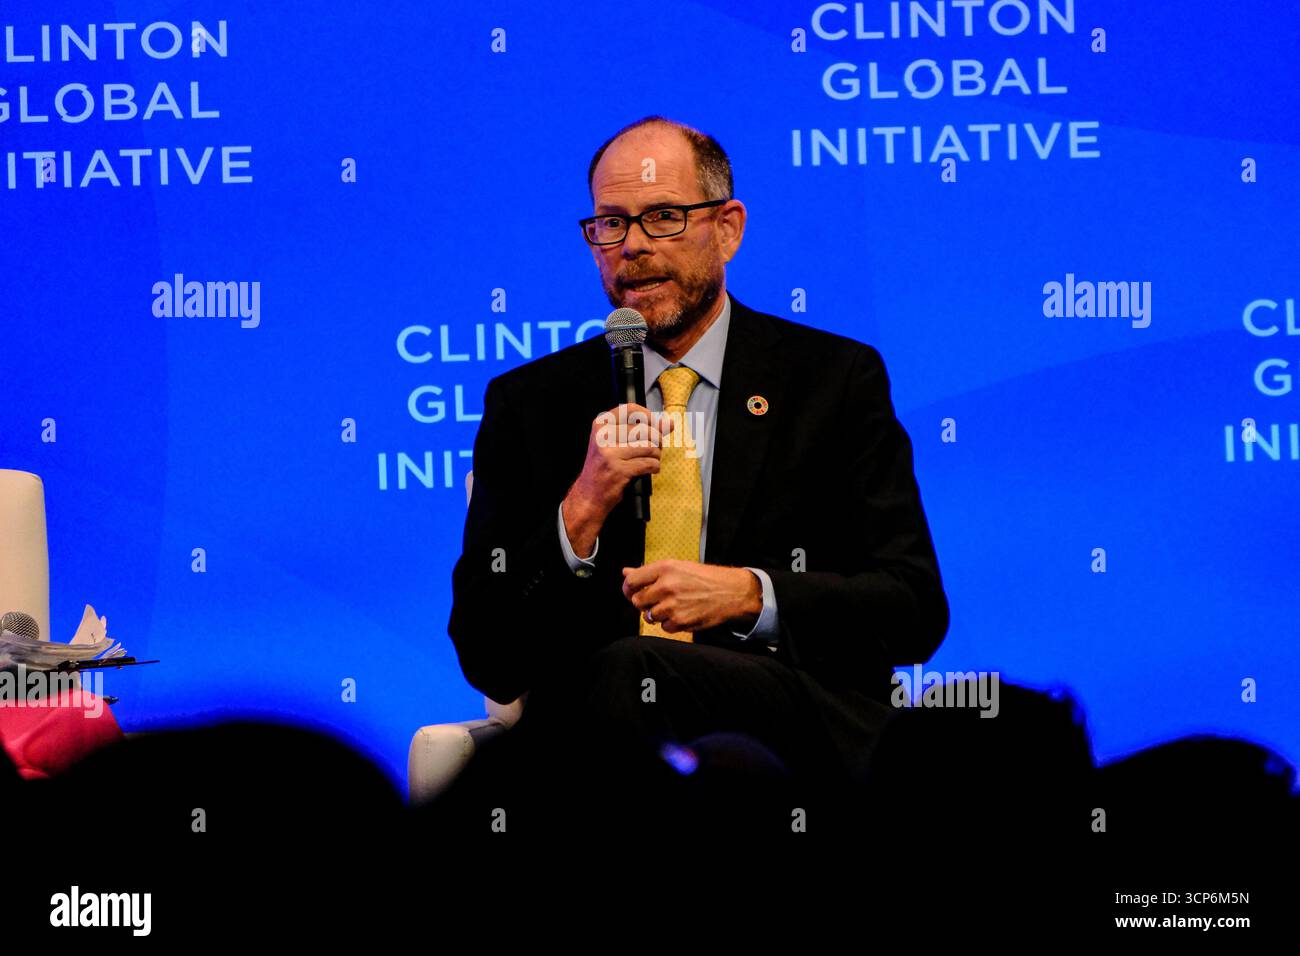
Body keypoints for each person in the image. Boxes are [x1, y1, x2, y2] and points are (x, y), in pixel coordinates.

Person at [434, 115, 949, 839]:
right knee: (614, 679)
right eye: (610, 225)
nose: (633, 247)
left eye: (663, 218)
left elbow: (913, 610)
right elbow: (487, 655)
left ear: (729, 228)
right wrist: (578, 512)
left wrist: (749, 595)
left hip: (793, 720)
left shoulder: (830, 381)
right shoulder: (532, 405)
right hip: (603, 743)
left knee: (631, 672)